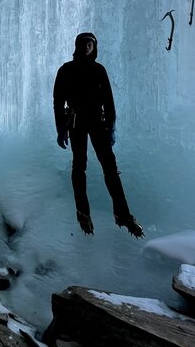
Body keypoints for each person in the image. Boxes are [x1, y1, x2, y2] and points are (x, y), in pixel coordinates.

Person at [53, 32, 144, 238]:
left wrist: (111, 126)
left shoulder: (98, 70)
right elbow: (58, 102)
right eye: (83, 44)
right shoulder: (66, 70)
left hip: (97, 122)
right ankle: (83, 213)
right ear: (77, 45)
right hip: (76, 122)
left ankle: (123, 214)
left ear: (94, 47)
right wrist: (60, 128)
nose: (87, 47)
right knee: (79, 166)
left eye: (90, 44)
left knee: (110, 168)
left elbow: (109, 100)